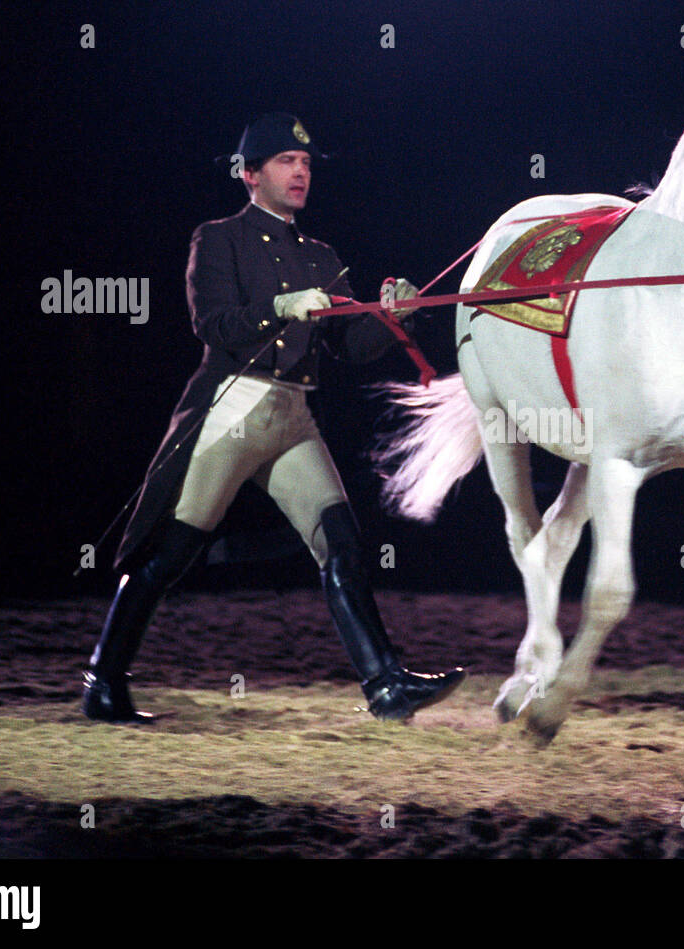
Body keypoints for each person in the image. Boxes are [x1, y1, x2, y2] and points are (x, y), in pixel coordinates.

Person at [83, 112, 465, 723]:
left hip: (292, 417)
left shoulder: (321, 256)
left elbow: (346, 347)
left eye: (307, 163)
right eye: (287, 161)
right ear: (249, 174)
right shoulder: (218, 238)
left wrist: (396, 315)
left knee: (341, 544)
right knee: (172, 554)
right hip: (234, 408)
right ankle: (104, 682)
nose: (301, 172)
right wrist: (280, 307)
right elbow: (214, 325)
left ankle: (385, 686)